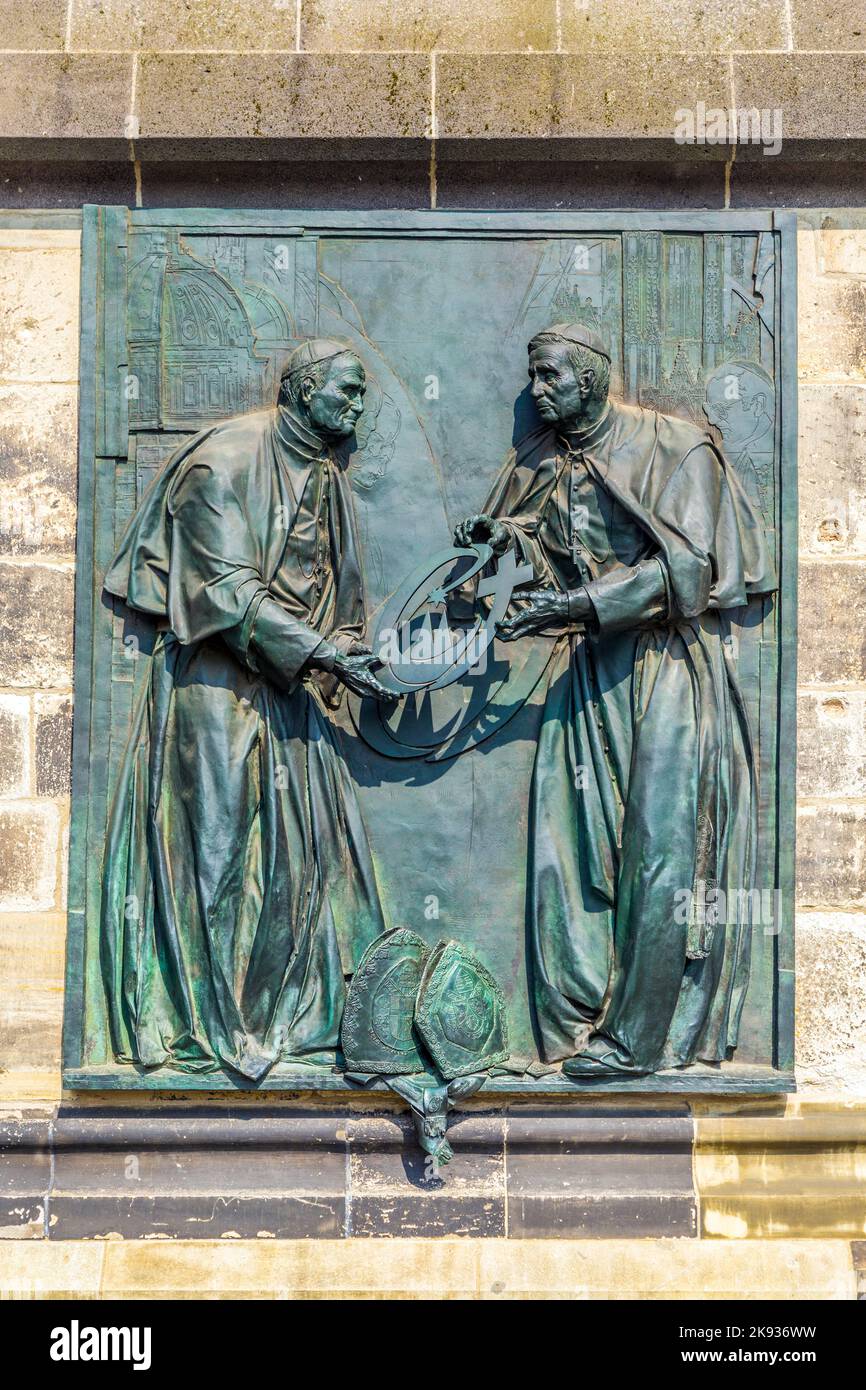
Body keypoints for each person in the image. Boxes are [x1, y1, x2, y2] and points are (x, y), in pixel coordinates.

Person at [454, 323, 777, 1075]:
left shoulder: (676, 447)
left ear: (594, 375)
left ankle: (640, 1038)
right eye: (532, 378)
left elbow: (688, 574)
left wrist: (574, 608)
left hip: (663, 668)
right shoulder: (546, 463)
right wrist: (503, 543)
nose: (536, 392)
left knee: (660, 852)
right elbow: (546, 549)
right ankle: (577, 1015)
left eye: (549, 377)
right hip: (587, 671)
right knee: (561, 853)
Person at [101, 337, 394, 1079]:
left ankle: (287, 1018)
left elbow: (335, 589)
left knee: (303, 860)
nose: (358, 407)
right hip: (219, 690)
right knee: (219, 854)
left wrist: (350, 655)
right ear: (299, 390)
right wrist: (324, 653)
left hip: (292, 688)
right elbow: (225, 594)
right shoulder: (222, 463)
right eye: (346, 392)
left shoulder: (326, 478)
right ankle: (211, 1027)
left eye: (361, 394)